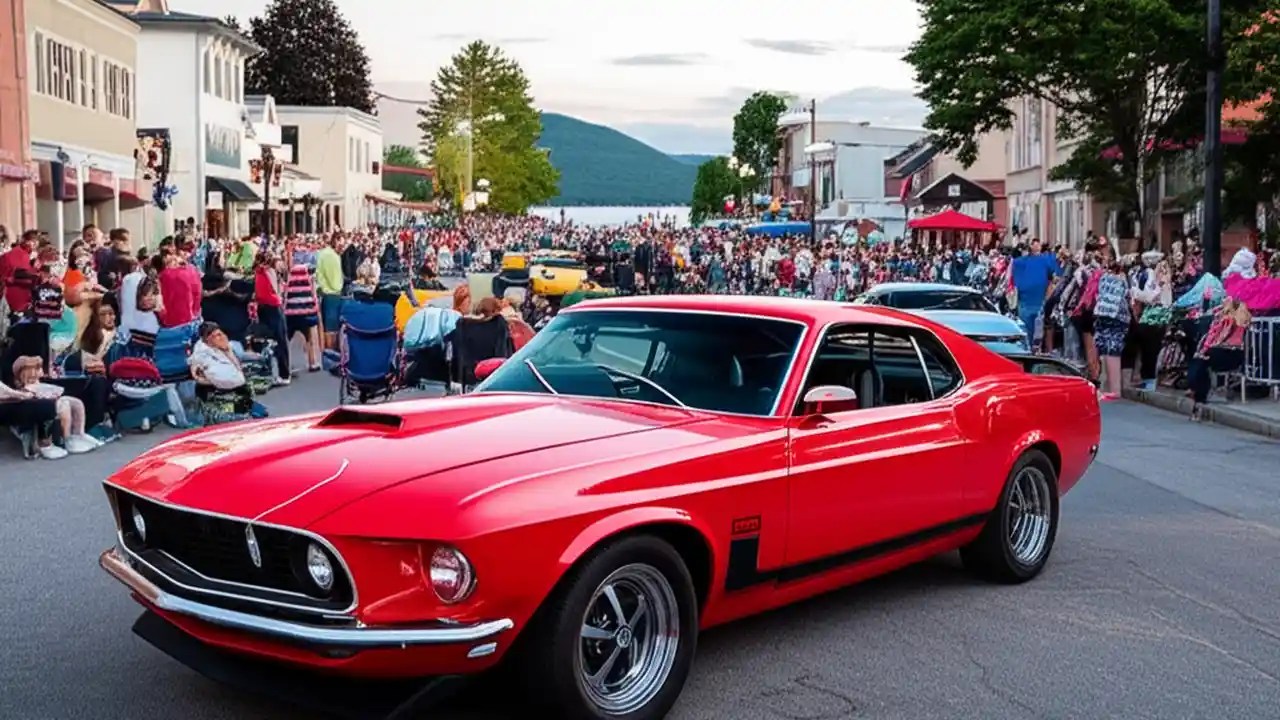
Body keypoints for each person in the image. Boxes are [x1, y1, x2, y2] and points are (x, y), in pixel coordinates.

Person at [1188, 296, 1251, 421]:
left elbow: (1231, 334)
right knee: (1199, 361)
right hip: (1217, 351)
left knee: (1205, 357)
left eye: (1226, 300)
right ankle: (1198, 395)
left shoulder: (1238, 318)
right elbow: (1213, 337)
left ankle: (1197, 394)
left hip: (1232, 353)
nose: (1223, 302)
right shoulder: (1220, 318)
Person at [1010, 237, 1062, 351]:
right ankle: (1027, 349)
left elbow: (1056, 276)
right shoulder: (1021, 261)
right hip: (1025, 301)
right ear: (1031, 247)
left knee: (1036, 331)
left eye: (1039, 245)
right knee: (1026, 329)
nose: (1037, 247)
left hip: (1039, 301)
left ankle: (1033, 349)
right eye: (1035, 245)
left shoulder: (1045, 260)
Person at [1091, 261, 1131, 399]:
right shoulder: (1123, 281)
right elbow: (1128, 296)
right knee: (1112, 351)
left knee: (1105, 351)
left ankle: (1110, 389)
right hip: (1118, 318)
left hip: (1103, 315)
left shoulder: (1102, 278)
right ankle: (1114, 389)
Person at [252, 250, 291, 385]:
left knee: (276, 340)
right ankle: (278, 373)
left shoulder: (263, 272)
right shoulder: (265, 271)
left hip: (269, 306)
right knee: (276, 340)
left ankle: (282, 373)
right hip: (271, 306)